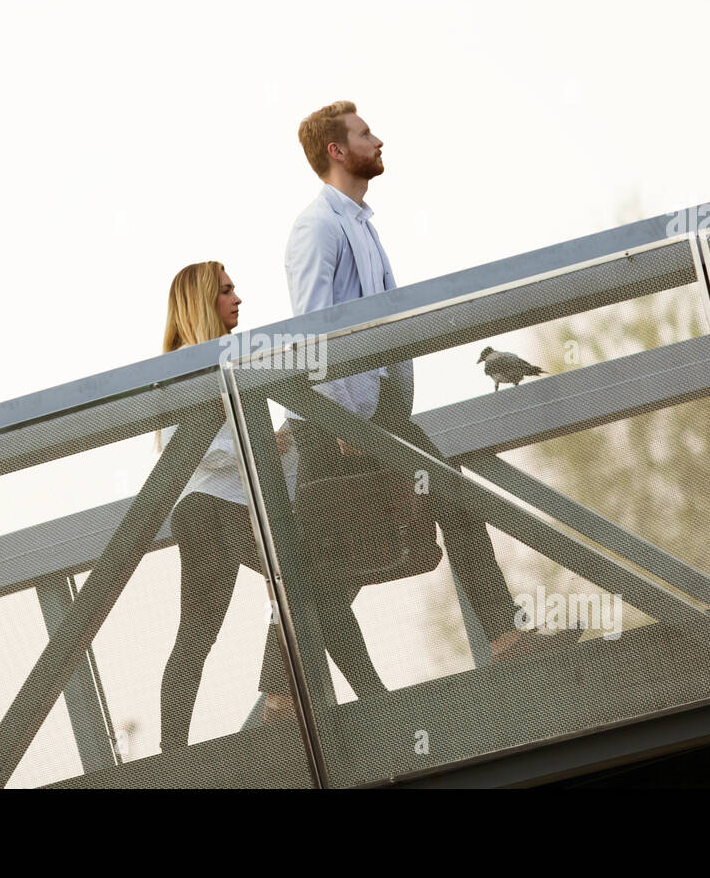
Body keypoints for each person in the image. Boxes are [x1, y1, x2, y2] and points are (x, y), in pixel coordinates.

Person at [284, 100, 554, 677]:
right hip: (340, 421)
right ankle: (284, 699)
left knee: (404, 522)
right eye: (364, 134)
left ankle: (504, 635)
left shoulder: (360, 224)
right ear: (337, 151)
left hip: (379, 412)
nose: (378, 140)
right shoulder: (318, 225)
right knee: (327, 563)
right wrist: (339, 421)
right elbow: (311, 327)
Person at [156, 261, 297, 752]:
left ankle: (174, 751)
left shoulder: (228, 360)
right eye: (225, 292)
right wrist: (256, 444)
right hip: (209, 507)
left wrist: (265, 441)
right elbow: (184, 447)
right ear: (200, 303)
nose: (237, 300)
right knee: (298, 580)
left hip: (222, 506)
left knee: (200, 633)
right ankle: (281, 701)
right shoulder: (181, 365)